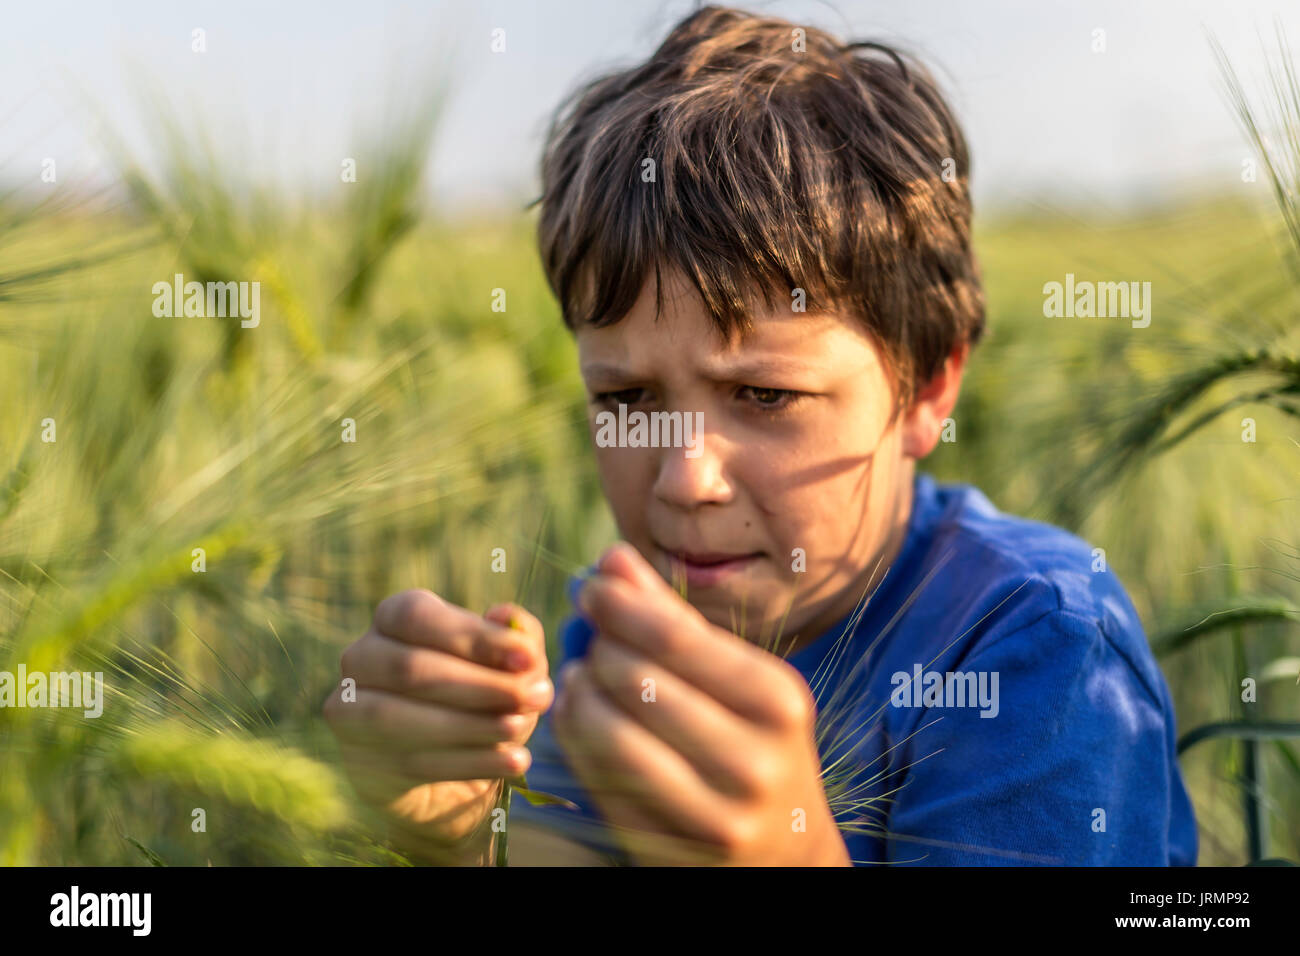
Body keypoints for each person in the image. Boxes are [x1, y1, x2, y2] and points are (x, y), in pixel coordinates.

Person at [323, 5, 1197, 866]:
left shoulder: (1033, 650)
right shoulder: (627, 629)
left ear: (930, 386)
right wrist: (467, 834)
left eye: (766, 394)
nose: (685, 479)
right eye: (627, 398)